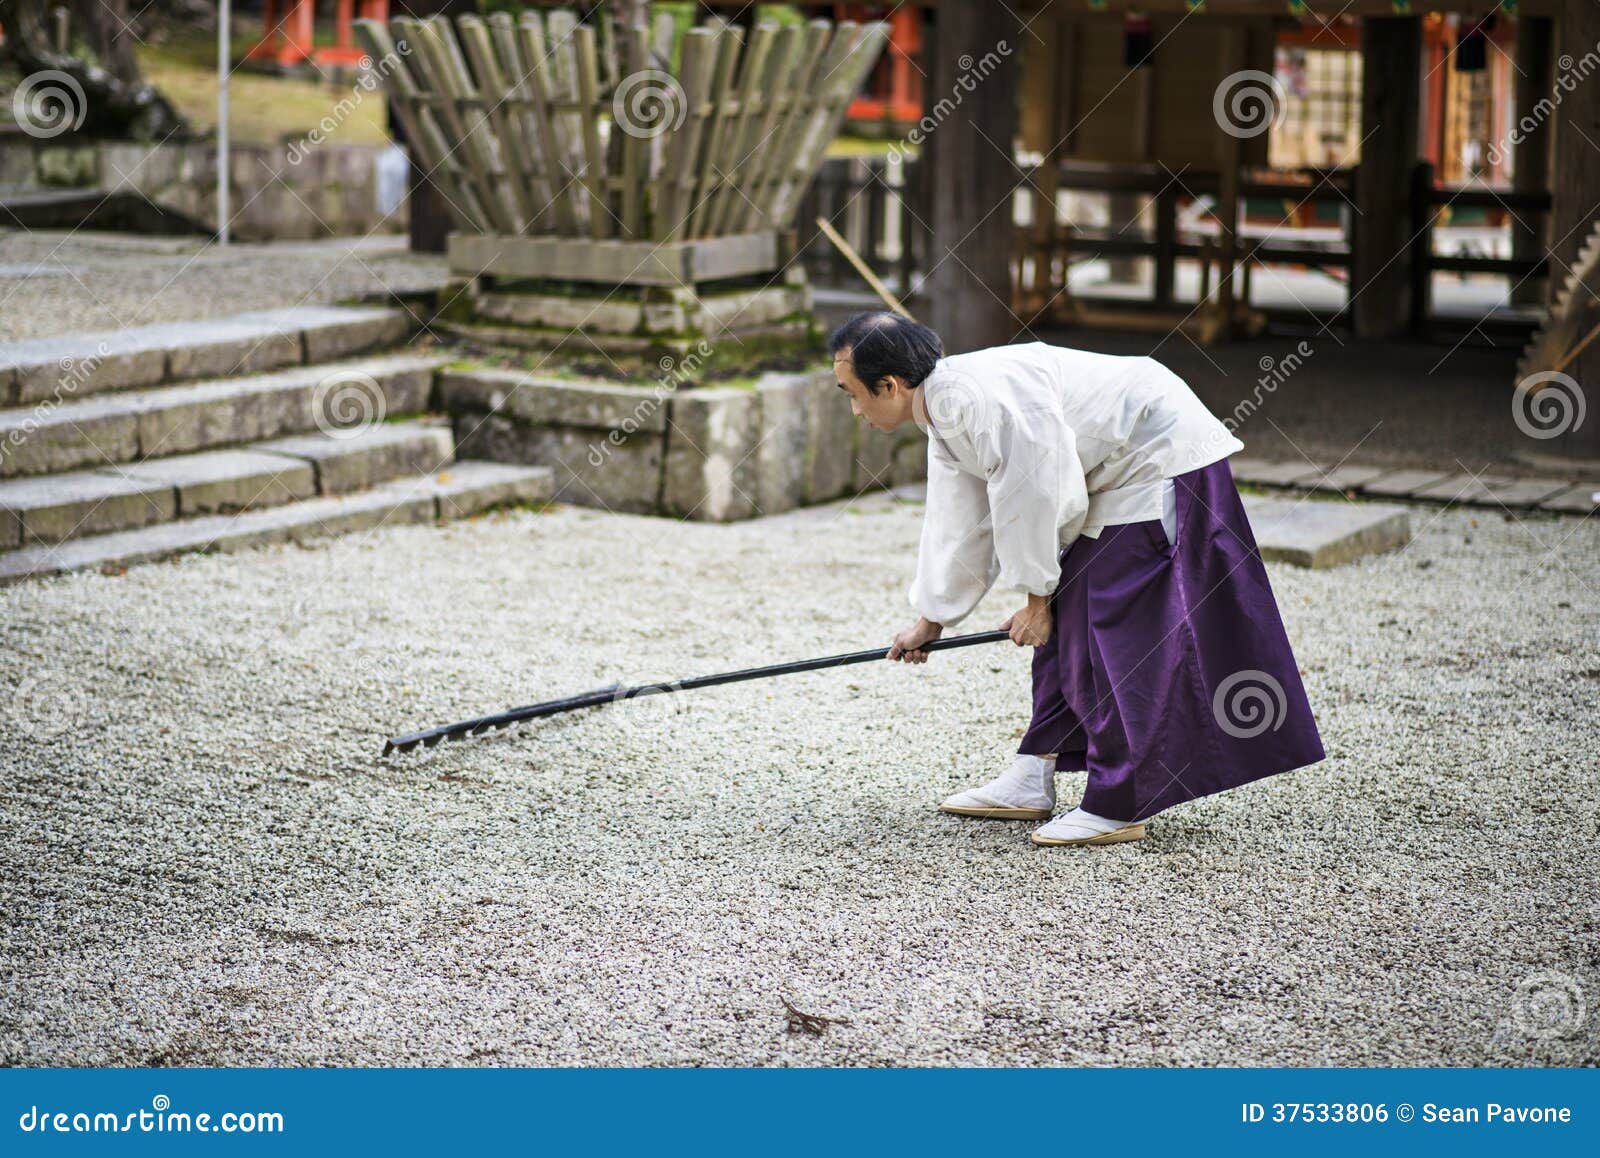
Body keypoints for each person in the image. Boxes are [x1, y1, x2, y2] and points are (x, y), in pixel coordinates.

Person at [828, 311, 1326, 848]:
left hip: (1157, 456)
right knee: (1069, 615)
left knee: (1112, 623)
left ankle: (1120, 801)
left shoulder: (975, 399)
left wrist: (1037, 602)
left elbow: (1035, 494)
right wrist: (934, 618)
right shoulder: (945, 404)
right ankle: (1033, 770)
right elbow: (963, 519)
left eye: (852, 395)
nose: (854, 410)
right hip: (1115, 468)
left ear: (890, 385)